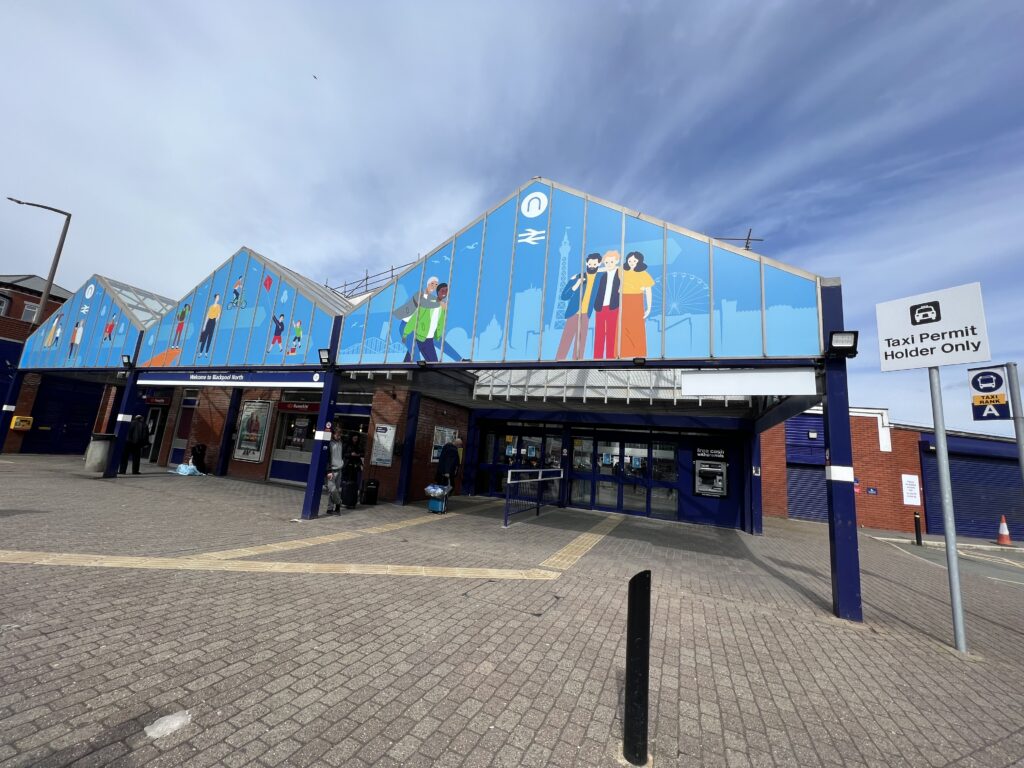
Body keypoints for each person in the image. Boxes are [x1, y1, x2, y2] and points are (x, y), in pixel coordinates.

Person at [555, 253, 601, 360]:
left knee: (581, 342)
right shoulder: (577, 277)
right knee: (566, 340)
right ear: (586, 263)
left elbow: (612, 268)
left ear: (599, 264)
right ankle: (559, 361)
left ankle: (577, 362)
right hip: (573, 313)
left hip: (586, 314)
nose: (592, 266)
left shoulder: (600, 277)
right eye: (590, 264)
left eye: (595, 264)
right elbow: (564, 296)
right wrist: (576, 284)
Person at [620, 251, 655, 358]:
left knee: (637, 328)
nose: (631, 263)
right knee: (624, 327)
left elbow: (648, 291)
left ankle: (639, 353)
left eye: (634, 261)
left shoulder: (643, 274)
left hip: (636, 300)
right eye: (629, 260)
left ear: (639, 261)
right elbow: (609, 269)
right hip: (624, 300)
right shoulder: (622, 271)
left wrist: (649, 308)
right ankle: (624, 353)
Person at [593, 250, 622, 360]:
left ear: (616, 261)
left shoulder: (620, 273)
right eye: (606, 262)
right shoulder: (603, 276)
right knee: (599, 332)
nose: (609, 264)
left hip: (613, 306)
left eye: (611, 262)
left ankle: (611, 357)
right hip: (600, 307)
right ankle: (597, 357)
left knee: (611, 332)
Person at [324, 426, 345, 515]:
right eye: (337, 435)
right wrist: (328, 470)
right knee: (332, 490)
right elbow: (327, 458)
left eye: (340, 435)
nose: (339, 436)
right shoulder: (329, 443)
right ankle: (339, 503)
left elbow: (342, 454)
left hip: (339, 469)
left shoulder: (341, 443)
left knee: (335, 490)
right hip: (332, 470)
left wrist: (342, 463)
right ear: (333, 434)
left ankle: (330, 509)